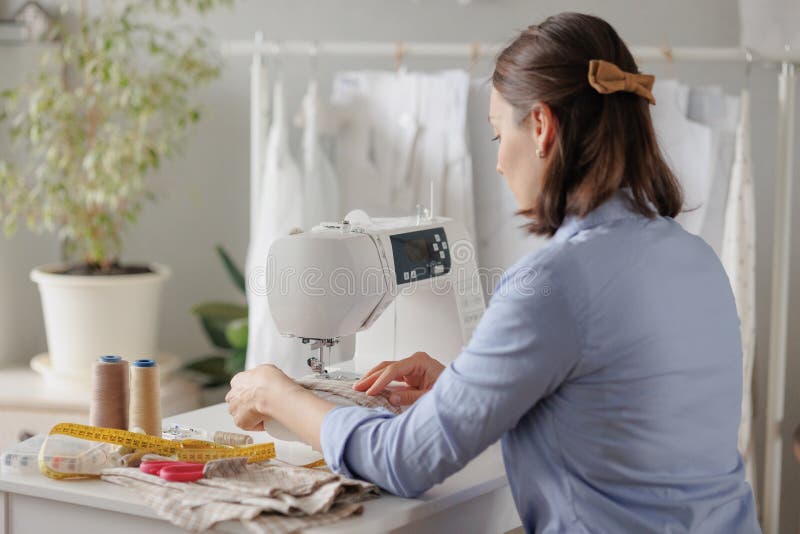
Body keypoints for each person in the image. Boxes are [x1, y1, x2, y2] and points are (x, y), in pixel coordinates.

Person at [226, 12, 760, 533]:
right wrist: (460, 391)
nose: (501, 161)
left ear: (542, 126)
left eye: (497, 134)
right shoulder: (696, 260)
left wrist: (278, 393)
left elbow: (403, 461)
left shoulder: (553, 283)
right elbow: (620, 420)